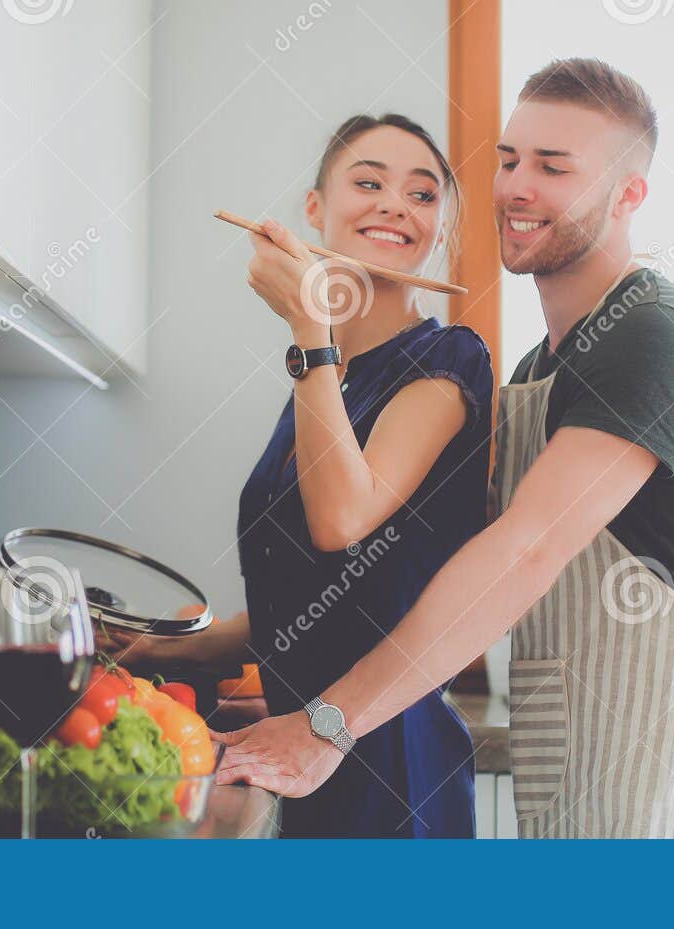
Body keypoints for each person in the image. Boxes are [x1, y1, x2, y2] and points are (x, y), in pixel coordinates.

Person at [215, 59, 674, 840]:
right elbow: (409, 565)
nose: (517, 186)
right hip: (576, 757)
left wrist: (327, 724)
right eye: (509, 160)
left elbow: (527, 549)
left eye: (553, 167)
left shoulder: (655, 337)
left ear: (628, 195)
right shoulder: (535, 372)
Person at [105, 113, 493, 837]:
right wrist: (160, 650)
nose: (395, 205)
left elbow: (341, 519)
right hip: (298, 751)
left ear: (439, 228)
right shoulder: (326, 380)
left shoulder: (450, 362)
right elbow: (312, 592)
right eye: (368, 182)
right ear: (315, 209)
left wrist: (310, 332)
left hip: (393, 770)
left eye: (422, 194)